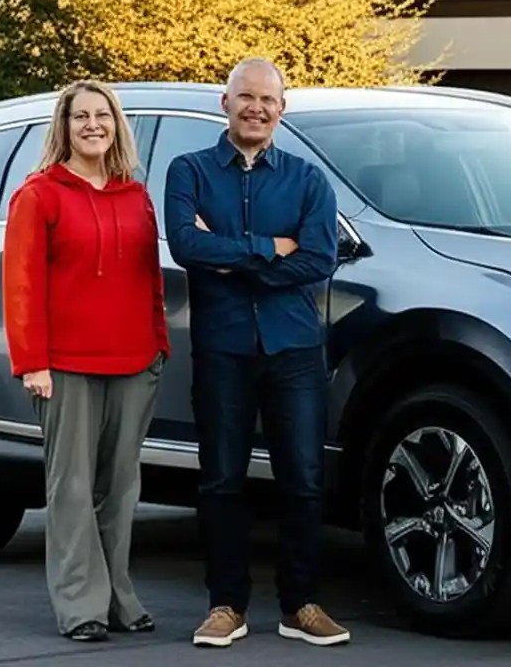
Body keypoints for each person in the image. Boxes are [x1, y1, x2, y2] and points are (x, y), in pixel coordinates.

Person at [162, 57, 347, 648]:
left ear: (281, 111)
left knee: (304, 478)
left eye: (268, 101)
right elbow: (188, 246)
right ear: (225, 103)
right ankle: (225, 605)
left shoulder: (309, 179)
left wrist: (233, 259)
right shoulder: (187, 171)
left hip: (293, 350)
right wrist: (272, 247)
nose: (257, 109)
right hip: (224, 349)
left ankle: (301, 604)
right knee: (221, 479)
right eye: (246, 97)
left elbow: (320, 259)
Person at [2, 79, 170, 643]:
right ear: (65, 127)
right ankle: (81, 607)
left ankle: (118, 595)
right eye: (81, 117)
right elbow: (21, 284)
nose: (93, 125)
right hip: (65, 365)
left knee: (121, 487)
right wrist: (33, 362)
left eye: (103, 115)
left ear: (116, 125)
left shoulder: (134, 194)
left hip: (134, 362)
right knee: (71, 488)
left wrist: (158, 347)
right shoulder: (39, 195)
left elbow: (148, 278)